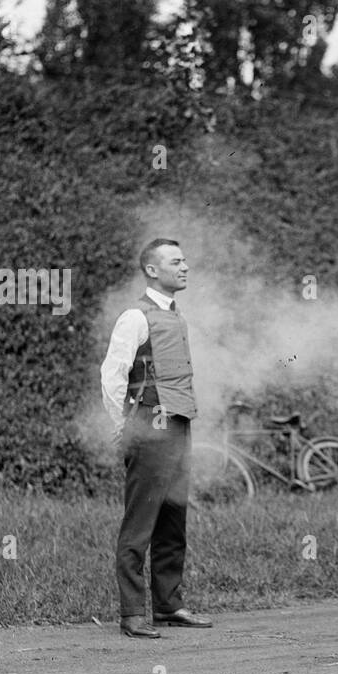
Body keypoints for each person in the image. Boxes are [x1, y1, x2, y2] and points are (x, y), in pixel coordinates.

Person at [100, 238, 213, 638]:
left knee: (173, 519)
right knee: (140, 522)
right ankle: (132, 613)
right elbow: (112, 374)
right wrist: (122, 424)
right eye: (175, 261)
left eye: (184, 260)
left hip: (179, 423)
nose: (184, 267)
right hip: (148, 424)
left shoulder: (176, 315)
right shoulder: (135, 316)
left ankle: (169, 605)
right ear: (152, 270)